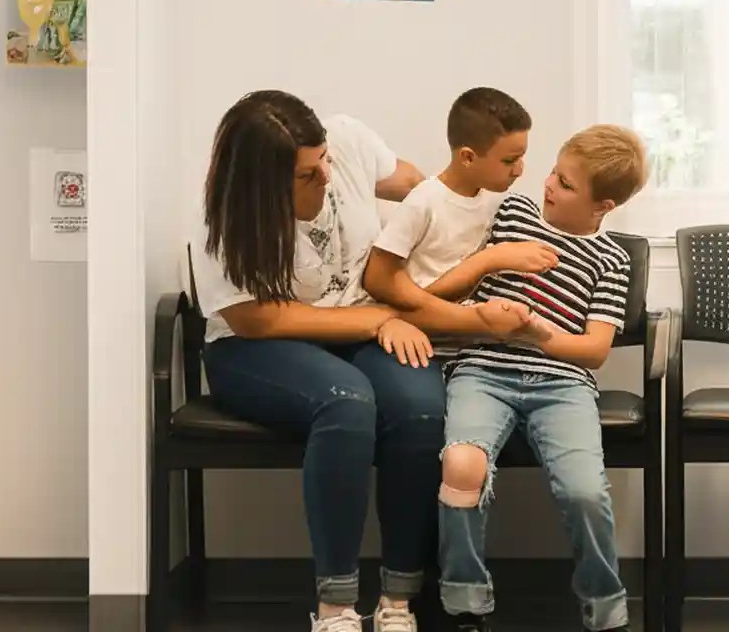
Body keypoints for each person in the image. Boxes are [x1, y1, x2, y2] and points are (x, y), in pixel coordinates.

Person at [190, 90, 532, 632]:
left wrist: (461, 239)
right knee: (346, 402)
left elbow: (419, 187)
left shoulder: (347, 139)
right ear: (263, 183)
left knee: (422, 409)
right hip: (254, 346)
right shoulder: (224, 224)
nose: (326, 177)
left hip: (362, 323)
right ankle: (336, 605)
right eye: (306, 175)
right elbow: (262, 321)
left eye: (322, 159)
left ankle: (399, 597)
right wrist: (378, 319)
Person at [432, 125, 650, 632]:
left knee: (583, 492)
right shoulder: (512, 214)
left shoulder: (612, 261)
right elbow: (457, 279)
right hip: (483, 371)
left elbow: (594, 351)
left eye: (567, 184)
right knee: (462, 465)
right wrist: (488, 283)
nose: (549, 184)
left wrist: (534, 330)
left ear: (604, 205)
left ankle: (606, 610)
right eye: (554, 171)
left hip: (563, 385)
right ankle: (465, 603)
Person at [361, 87, 559, 362]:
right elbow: (382, 282)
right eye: (509, 161)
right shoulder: (425, 201)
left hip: (470, 347)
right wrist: (489, 260)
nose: (519, 169)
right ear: (467, 157)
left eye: (522, 157)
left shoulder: (495, 201)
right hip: (419, 337)